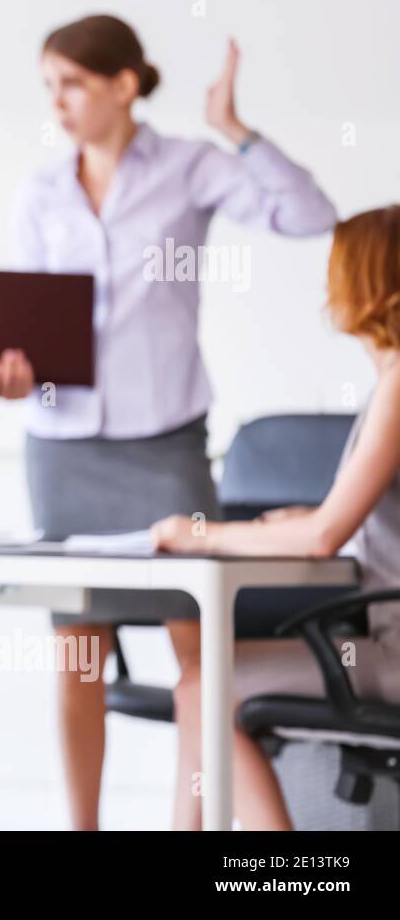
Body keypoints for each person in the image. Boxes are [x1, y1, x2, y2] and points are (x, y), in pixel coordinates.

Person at [0, 14, 337, 829]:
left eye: (72, 82)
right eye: (49, 85)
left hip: (166, 447)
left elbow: (311, 213)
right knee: (78, 657)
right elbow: (26, 326)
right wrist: (13, 375)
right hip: (63, 447)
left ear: (124, 84)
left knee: (198, 657)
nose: (59, 101)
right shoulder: (40, 192)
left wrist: (235, 129)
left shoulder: (190, 166)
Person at [153, 206, 400, 830]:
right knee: (201, 684)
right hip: (379, 639)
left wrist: (201, 533)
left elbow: (324, 538)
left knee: (202, 688)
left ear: (365, 282)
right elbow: (341, 520)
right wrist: (305, 517)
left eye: (335, 270)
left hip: (390, 653)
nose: (326, 286)